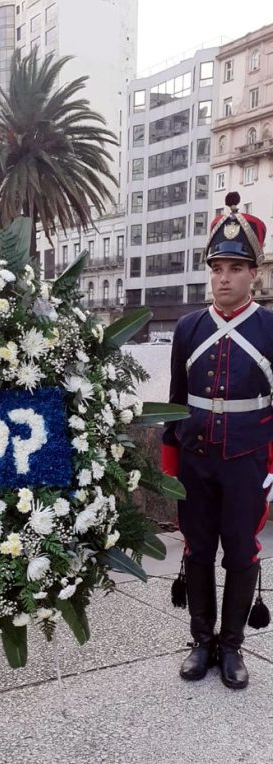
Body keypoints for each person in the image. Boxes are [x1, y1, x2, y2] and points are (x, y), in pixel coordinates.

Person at [162, 191, 273, 691]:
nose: (224, 277)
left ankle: (232, 647)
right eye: (217, 267)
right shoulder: (188, 328)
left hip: (248, 460)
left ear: (255, 273)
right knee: (197, 549)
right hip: (195, 459)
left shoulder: (271, 328)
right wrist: (168, 470)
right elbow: (173, 403)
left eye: (235, 267)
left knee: (243, 553)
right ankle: (201, 642)